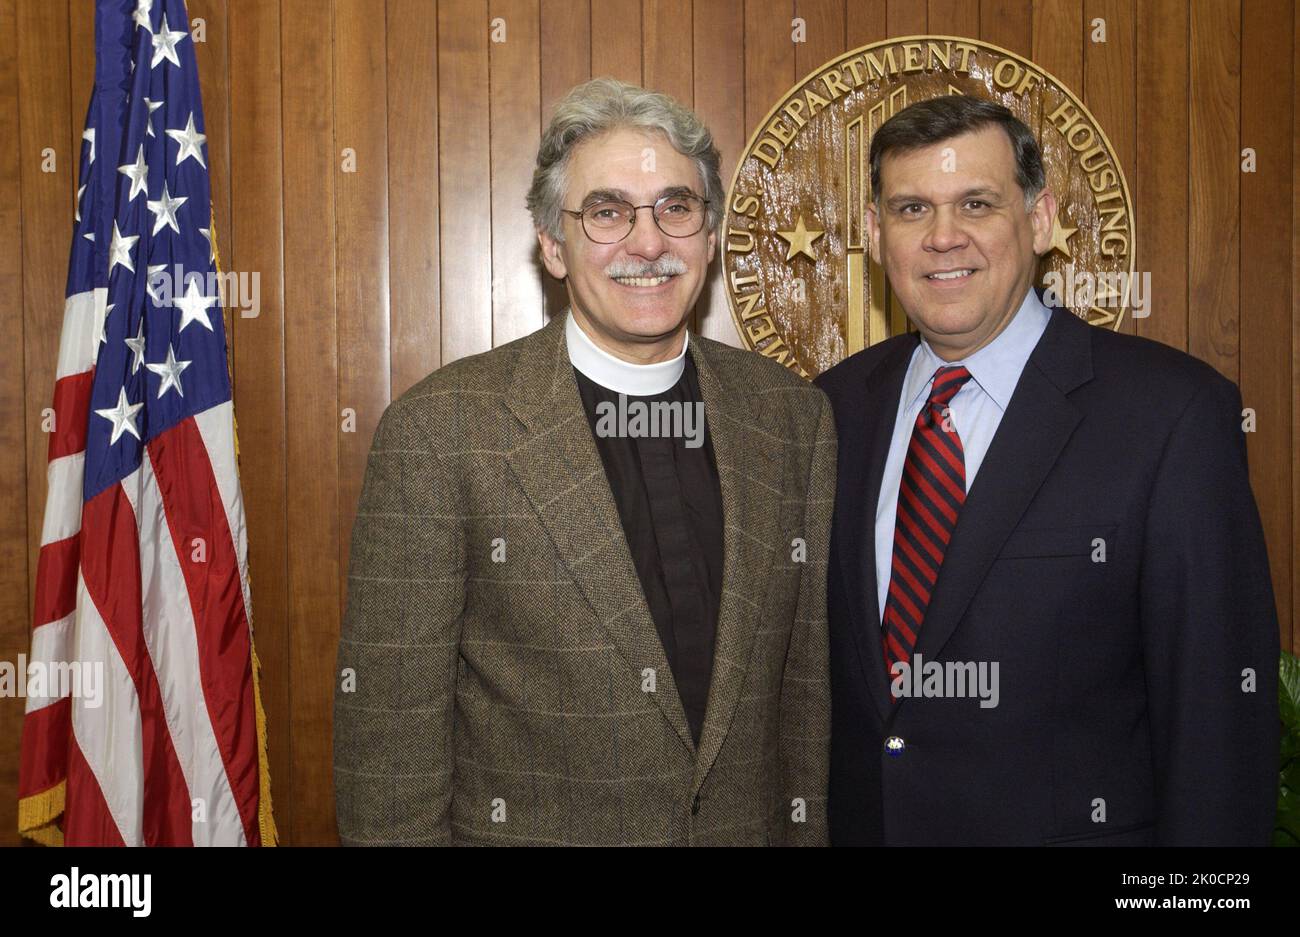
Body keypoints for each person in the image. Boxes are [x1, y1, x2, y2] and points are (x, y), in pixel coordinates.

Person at [333, 78, 835, 846]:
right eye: (606, 212)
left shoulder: (792, 421)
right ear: (552, 247)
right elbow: (390, 758)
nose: (647, 242)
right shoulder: (441, 431)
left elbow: (803, 703)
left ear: (709, 235)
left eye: (676, 206)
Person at [816, 94, 1279, 846]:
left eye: (976, 203)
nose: (943, 237)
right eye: (910, 209)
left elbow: (1216, 725)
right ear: (874, 234)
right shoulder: (832, 410)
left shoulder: (1170, 415)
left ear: (1038, 219)